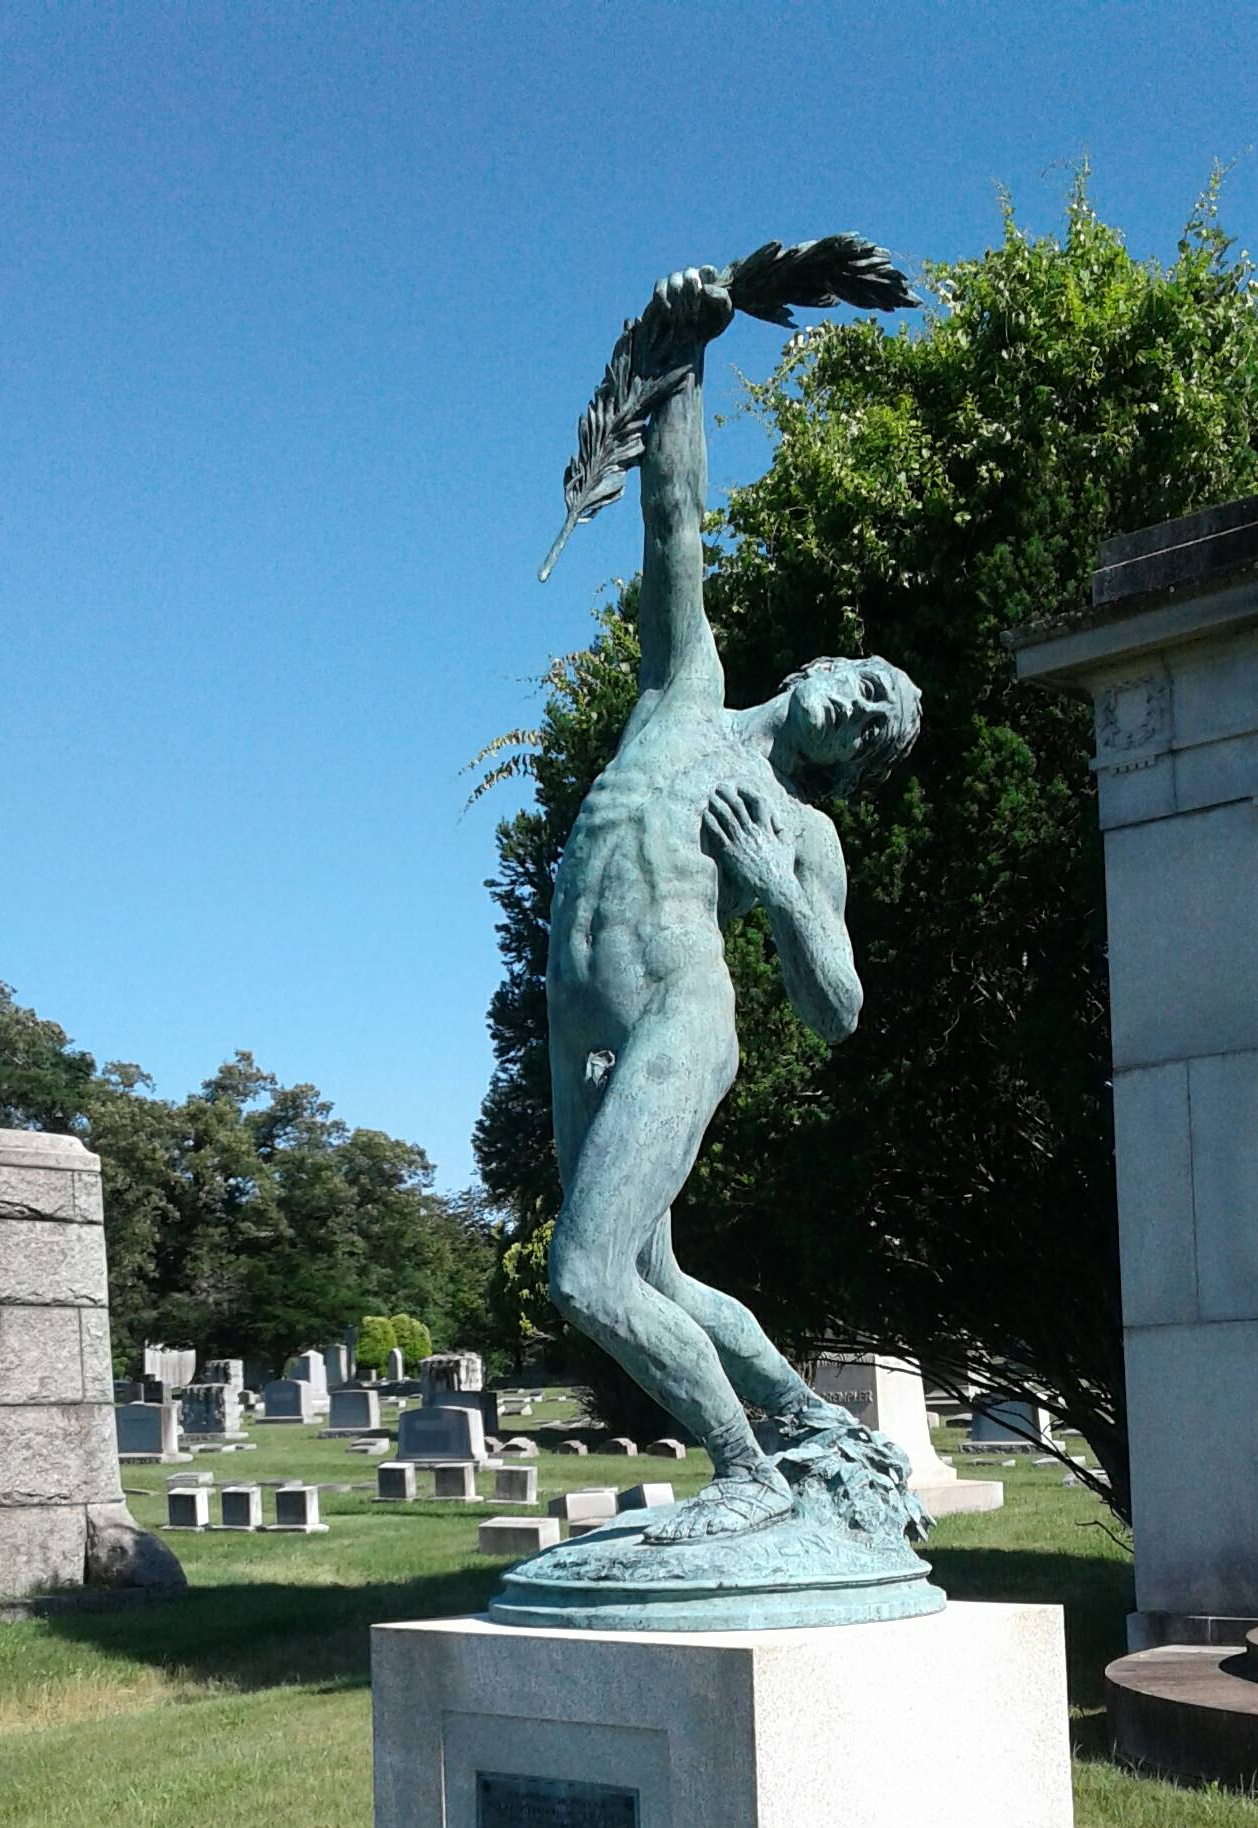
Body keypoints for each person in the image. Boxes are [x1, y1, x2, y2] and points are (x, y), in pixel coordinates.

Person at [547, 269, 922, 1544]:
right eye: (872, 683)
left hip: (678, 1018)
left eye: (879, 727)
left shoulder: (803, 832)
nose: (864, 708)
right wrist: (688, 354)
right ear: (826, 664)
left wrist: (774, 893)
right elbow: (676, 519)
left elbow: (840, 1009)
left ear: (852, 765)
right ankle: (809, 1424)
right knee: (652, 1273)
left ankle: (748, 1471)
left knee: (587, 1273)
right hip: (580, 1022)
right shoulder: (684, 694)